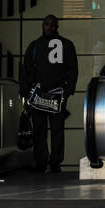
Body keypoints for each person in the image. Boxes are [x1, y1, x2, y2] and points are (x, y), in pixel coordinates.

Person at [20, 14, 78, 174]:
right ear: (43, 25)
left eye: (52, 25)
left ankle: (48, 161)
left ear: (56, 27)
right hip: (52, 95)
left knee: (47, 129)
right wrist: (67, 90)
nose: (49, 27)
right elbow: (72, 69)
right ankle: (48, 161)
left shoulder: (34, 46)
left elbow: (27, 69)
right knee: (48, 129)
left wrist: (27, 91)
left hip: (48, 94)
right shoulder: (66, 45)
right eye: (47, 24)